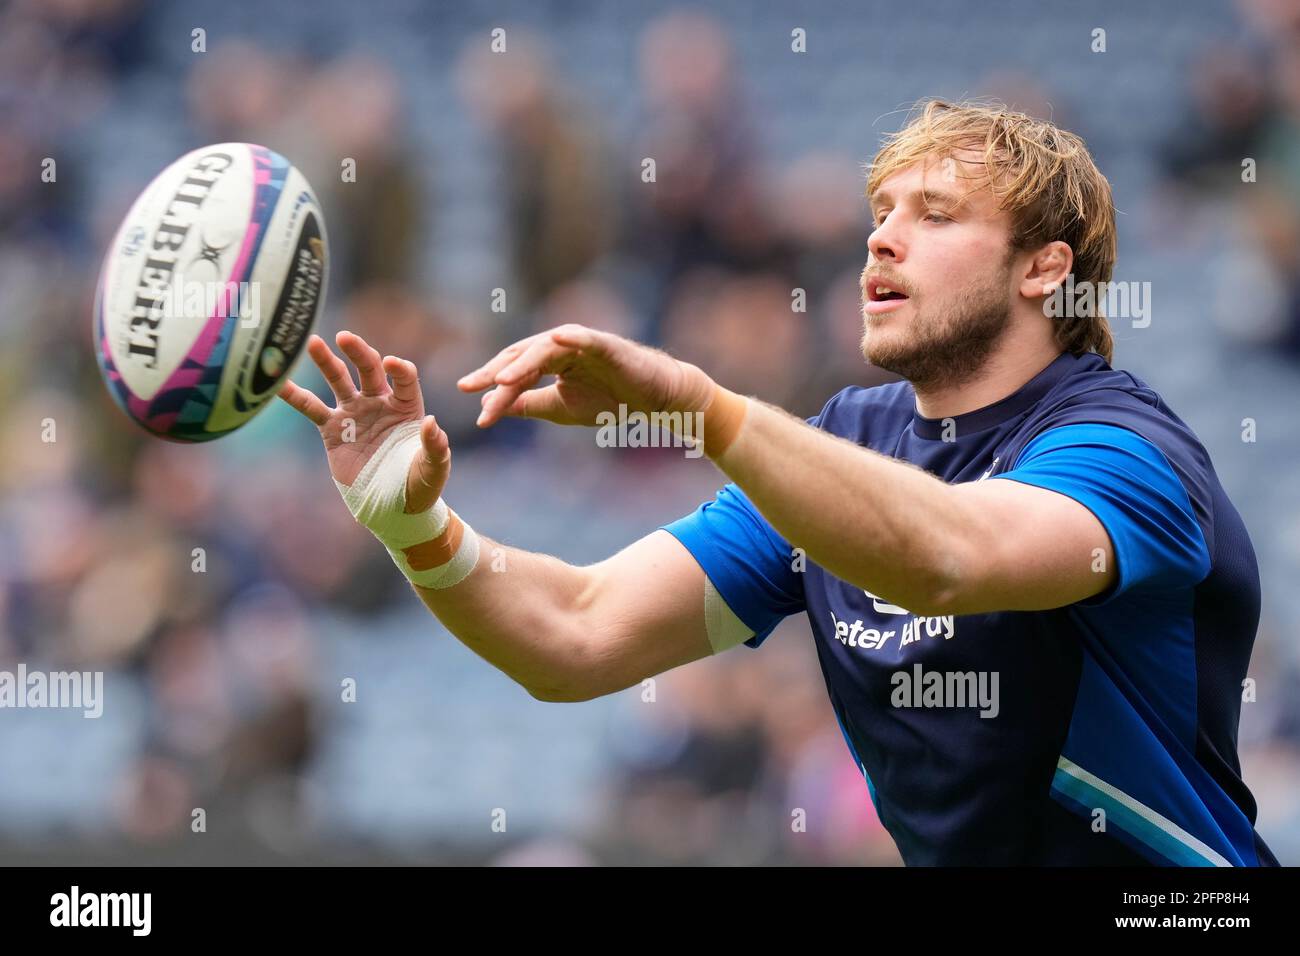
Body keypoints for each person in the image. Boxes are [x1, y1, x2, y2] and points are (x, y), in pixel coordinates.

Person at [279, 100, 1277, 867]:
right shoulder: (845, 443)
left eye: (934, 215)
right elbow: (575, 632)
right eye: (879, 213)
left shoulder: (1124, 450)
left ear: (1042, 270)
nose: (881, 239)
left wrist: (700, 408)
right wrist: (417, 526)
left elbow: (948, 554)